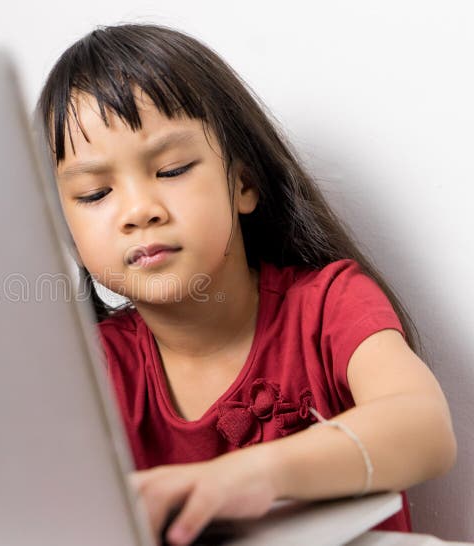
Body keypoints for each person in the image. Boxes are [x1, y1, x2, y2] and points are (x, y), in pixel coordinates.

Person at [35, 23, 457, 546]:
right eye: (96, 194)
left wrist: (252, 474)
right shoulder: (90, 371)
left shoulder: (326, 305)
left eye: (171, 169)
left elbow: (424, 429)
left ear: (243, 184)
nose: (139, 212)